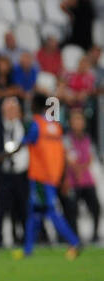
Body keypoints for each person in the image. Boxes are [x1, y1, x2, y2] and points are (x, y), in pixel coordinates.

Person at [15, 96, 83, 259]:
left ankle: (74, 242)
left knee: (50, 212)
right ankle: (28, 250)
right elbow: (62, 151)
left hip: (39, 176)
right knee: (36, 213)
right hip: (53, 176)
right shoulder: (56, 127)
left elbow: (23, 143)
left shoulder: (37, 124)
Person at [0, 97, 29, 248]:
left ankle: (24, 237)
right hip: (3, 174)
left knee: (22, 207)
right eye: (9, 109)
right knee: (0, 209)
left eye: (15, 110)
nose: (12, 113)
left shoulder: (26, 126)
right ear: (3, 111)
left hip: (21, 174)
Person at [62, 108, 100, 244]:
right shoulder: (67, 139)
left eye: (80, 120)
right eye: (75, 120)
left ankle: (95, 234)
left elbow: (90, 158)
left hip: (86, 180)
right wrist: (76, 170)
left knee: (95, 207)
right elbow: (67, 158)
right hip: (72, 181)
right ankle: (74, 237)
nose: (78, 123)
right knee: (71, 210)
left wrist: (80, 169)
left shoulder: (88, 138)